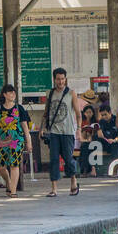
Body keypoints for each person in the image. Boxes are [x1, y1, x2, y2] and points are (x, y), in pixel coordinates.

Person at [41, 68, 81, 197]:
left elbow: (78, 114)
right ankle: (54, 188)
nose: (60, 81)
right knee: (53, 160)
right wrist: (42, 128)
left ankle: (73, 181)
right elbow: (46, 113)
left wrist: (79, 129)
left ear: (66, 79)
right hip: (54, 132)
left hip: (68, 131)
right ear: (54, 79)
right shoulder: (50, 93)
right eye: (58, 79)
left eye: (63, 79)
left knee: (68, 159)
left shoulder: (71, 93)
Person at [0, 84, 31, 196]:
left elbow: (25, 127)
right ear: (4, 94)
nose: (13, 94)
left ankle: (13, 191)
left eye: (14, 92)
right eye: (10, 92)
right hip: (1, 140)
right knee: (0, 166)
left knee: (14, 164)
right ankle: (8, 181)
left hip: (16, 140)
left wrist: (29, 142)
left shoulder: (19, 109)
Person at [78, 103, 102, 176]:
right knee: (85, 147)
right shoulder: (82, 123)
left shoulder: (96, 122)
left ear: (93, 113)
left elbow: (99, 134)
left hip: (95, 141)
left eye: (90, 112)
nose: (89, 114)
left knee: (94, 146)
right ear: (84, 113)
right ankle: (85, 169)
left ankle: (93, 168)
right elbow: (81, 138)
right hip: (85, 141)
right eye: (87, 112)